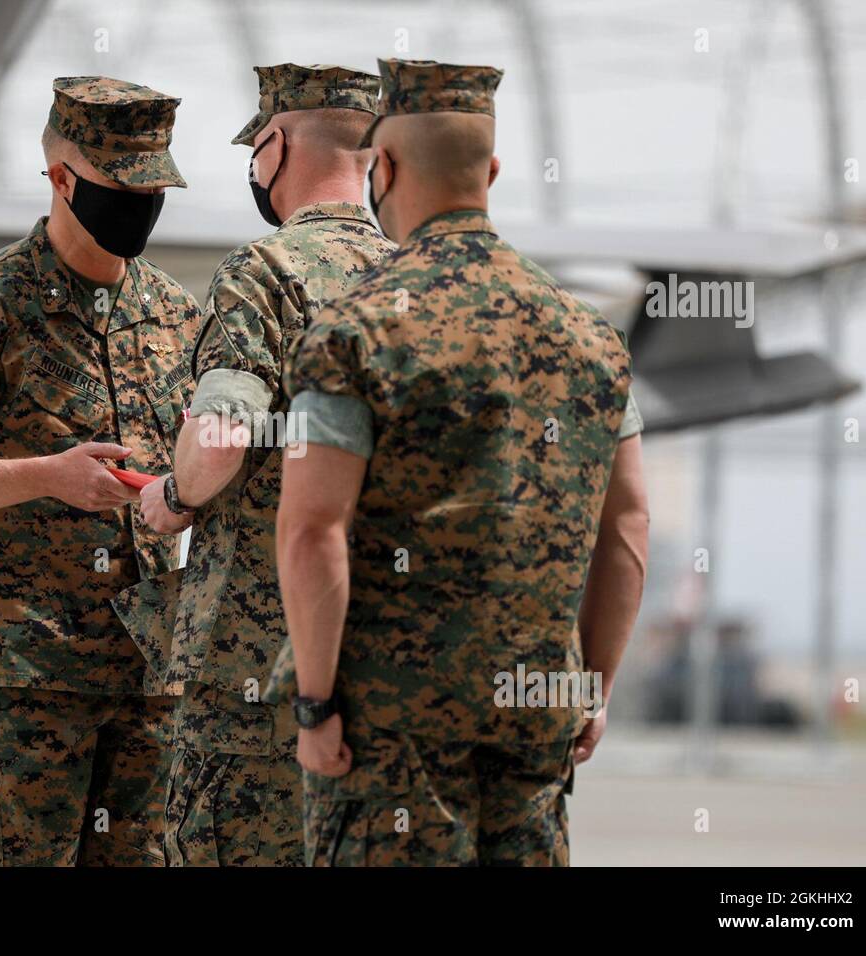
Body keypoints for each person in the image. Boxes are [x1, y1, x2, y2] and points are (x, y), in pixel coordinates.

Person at [270, 58, 650, 865]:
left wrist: (312, 705)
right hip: (538, 709)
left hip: (391, 725)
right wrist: (593, 687)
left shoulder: (354, 332)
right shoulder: (593, 340)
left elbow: (311, 530)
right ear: (495, 172)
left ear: (386, 167)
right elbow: (628, 529)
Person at [0, 75, 202, 866]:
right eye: (117, 187)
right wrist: (44, 475)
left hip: (150, 685)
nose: (138, 205)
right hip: (19, 683)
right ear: (60, 178)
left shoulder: (181, 319)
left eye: (151, 188)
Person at [130, 64, 394, 866]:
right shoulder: (416, 282)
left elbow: (219, 438)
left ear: (274, 147)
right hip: (382, 666)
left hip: (257, 677)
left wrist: (170, 498)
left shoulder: (267, 273)